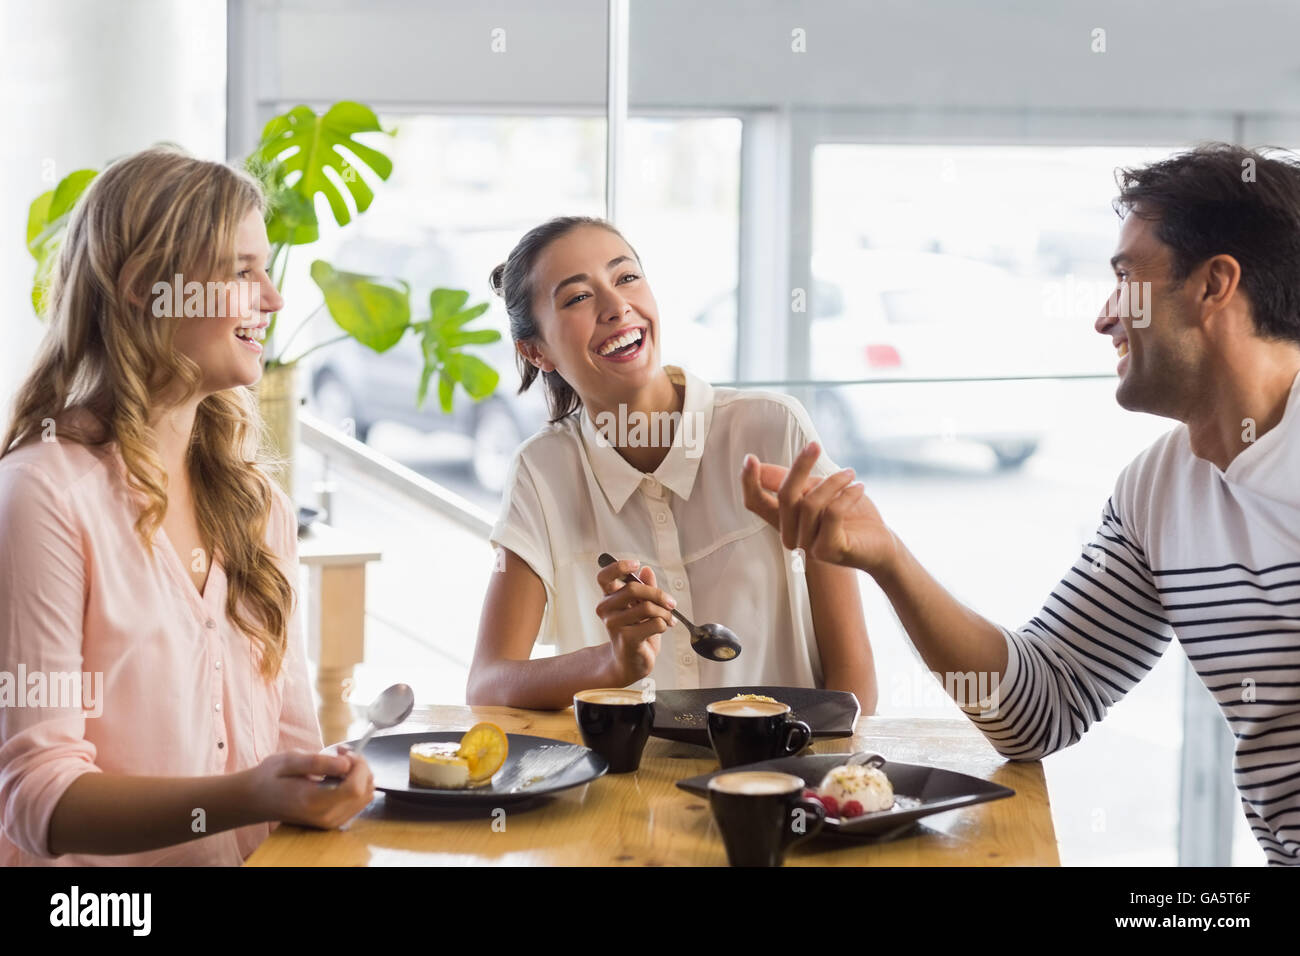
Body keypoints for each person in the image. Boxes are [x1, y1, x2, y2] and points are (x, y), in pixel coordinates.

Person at [740, 143, 1300, 866]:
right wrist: (885, 557)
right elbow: (1043, 705)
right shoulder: (1159, 489)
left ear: (1213, 285)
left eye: (1125, 278)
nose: (1103, 318)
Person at [0, 145, 373, 865]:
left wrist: (324, 780)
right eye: (242, 272)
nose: (273, 297)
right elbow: (37, 796)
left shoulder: (259, 507)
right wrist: (253, 792)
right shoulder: (43, 494)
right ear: (146, 287)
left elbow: (293, 745)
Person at [468, 216, 877, 711]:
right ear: (536, 351)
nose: (617, 306)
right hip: (628, 785)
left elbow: (854, 687)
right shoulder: (543, 471)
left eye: (626, 278)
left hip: (786, 775)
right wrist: (613, 664)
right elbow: (487, 684)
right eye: (578, 298)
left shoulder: (773, 429)